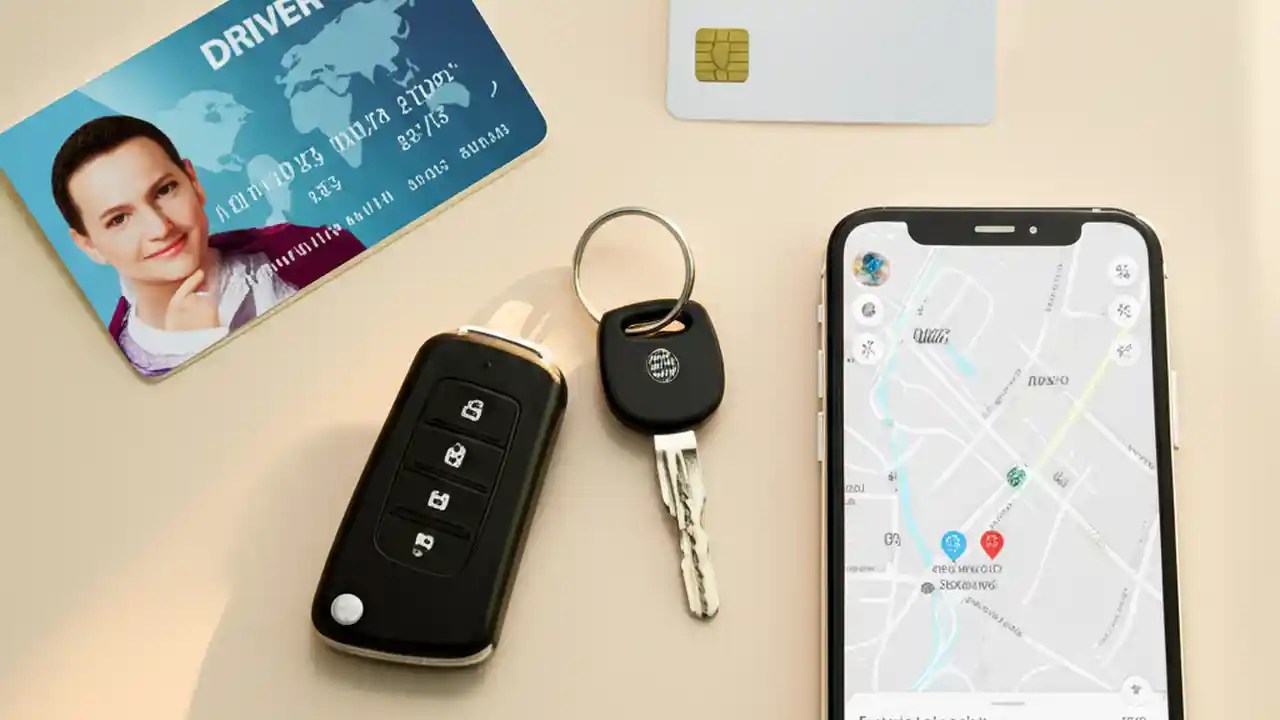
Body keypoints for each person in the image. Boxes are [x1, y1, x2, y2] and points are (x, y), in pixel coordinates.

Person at [50, 115, 365, 377]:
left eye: (164, 190)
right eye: (119, 219)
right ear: (89, 246)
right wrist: (198, 350)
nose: (160, 227)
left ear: (193, 181)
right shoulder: (115, 381)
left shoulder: (318, 250)